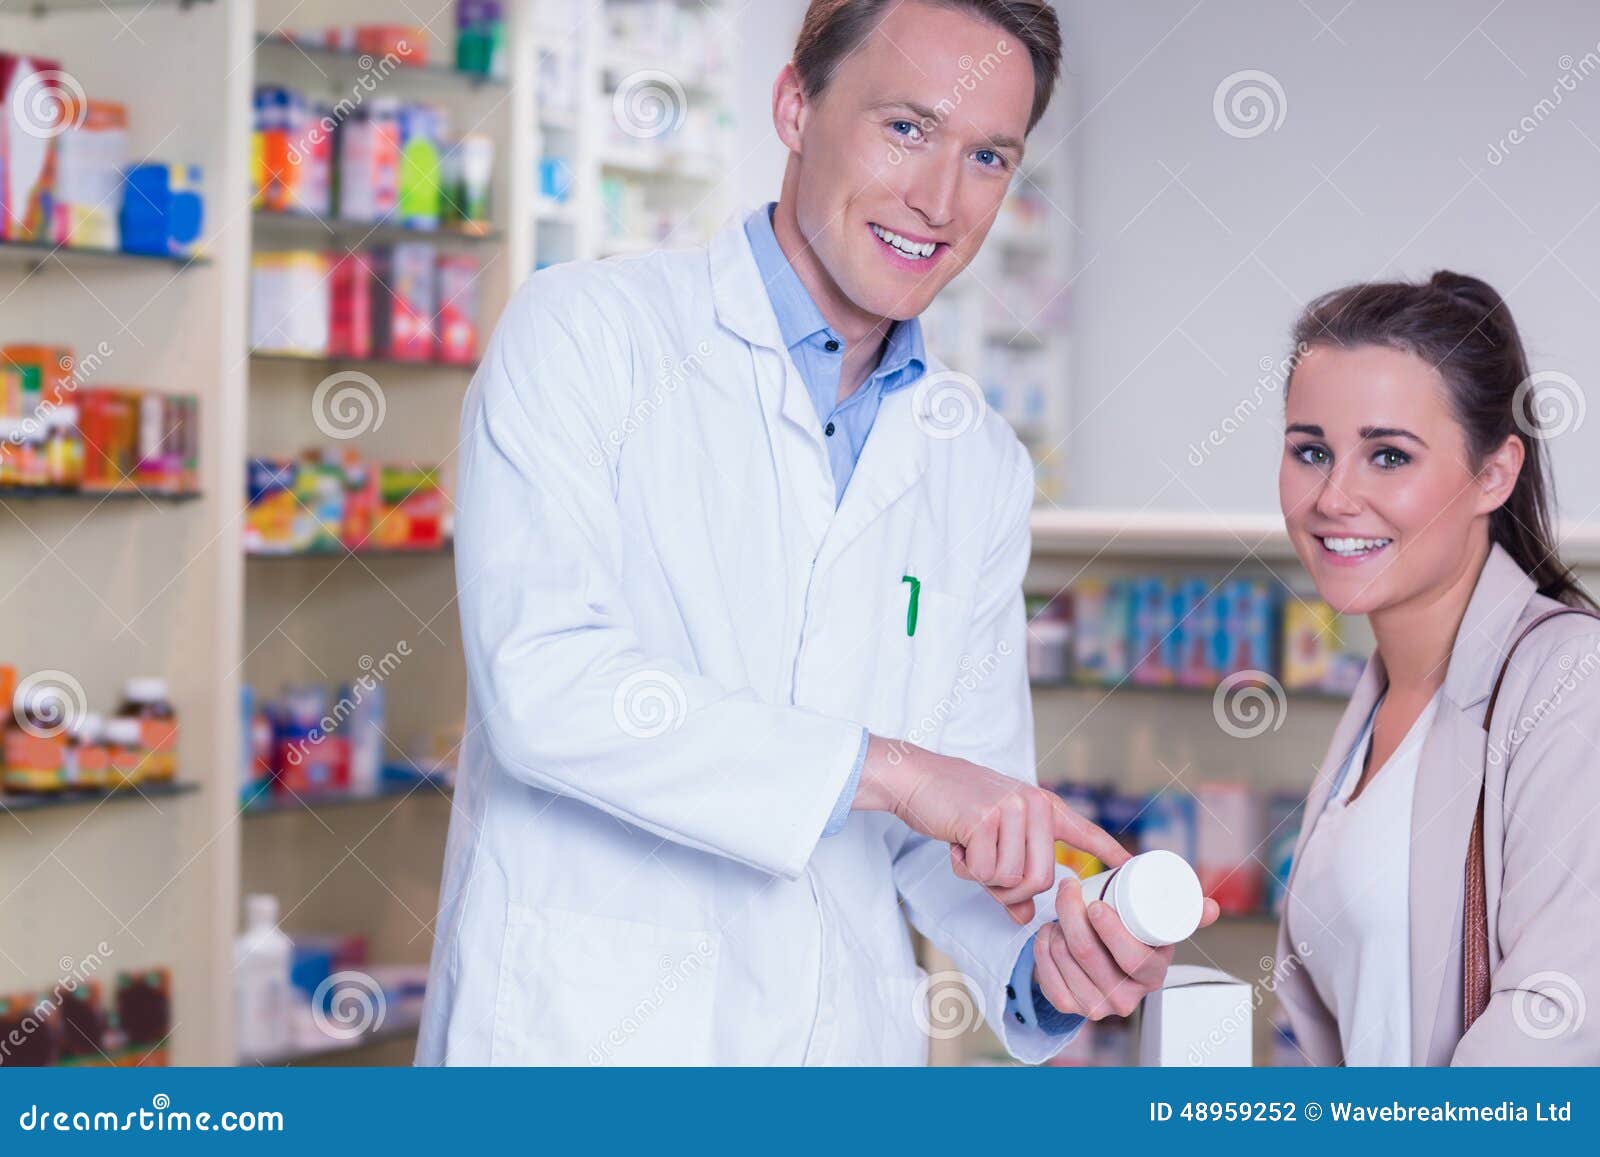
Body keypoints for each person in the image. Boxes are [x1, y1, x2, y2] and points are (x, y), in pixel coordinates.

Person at [417, 0, 1215, 1066]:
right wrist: (892, 770)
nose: (940, 200)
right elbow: (543, 685)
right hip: (584, 1040)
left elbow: (958, 812)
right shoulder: (586, 336)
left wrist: (1040, 959)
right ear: (796, 106)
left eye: (987, 155)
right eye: (907, 128)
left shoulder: (975, 460)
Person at [1274, 271, 1600, 1065]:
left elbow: (1556, 1019)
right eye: (1312, 451)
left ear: (1495, 473)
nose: (1335, 497)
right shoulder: (1379, 702)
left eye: (1388, 455)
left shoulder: (1571, 681)